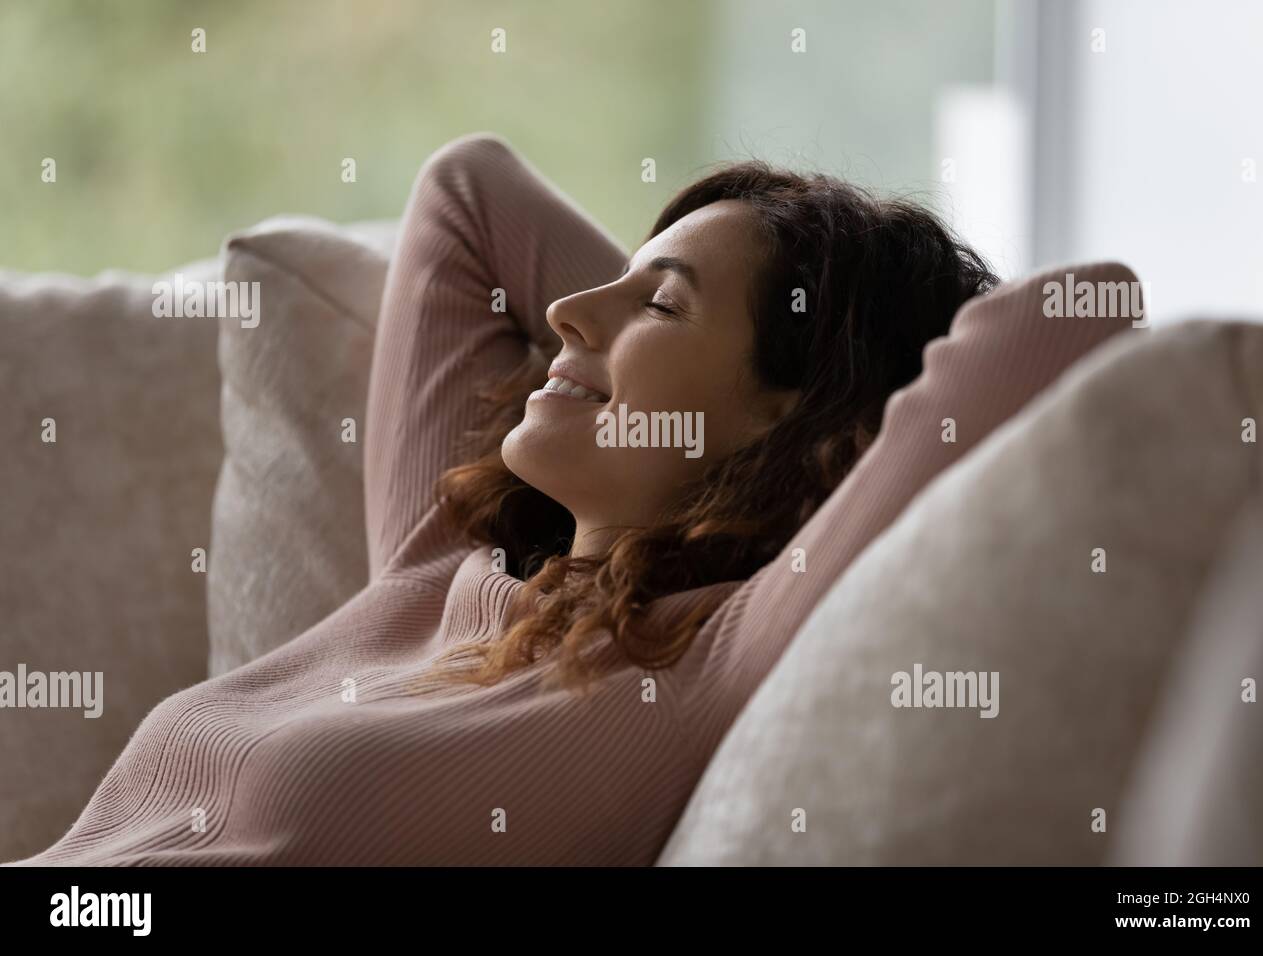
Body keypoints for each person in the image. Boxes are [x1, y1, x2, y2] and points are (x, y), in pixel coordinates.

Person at [10, 133, 996, 866]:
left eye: (657, 302)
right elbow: (469, 189)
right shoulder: (436, 564)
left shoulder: (715, 658)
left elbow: (1056, 325)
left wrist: (797, 402)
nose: (569, 310)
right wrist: (651, 343)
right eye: (605, 284)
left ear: (807, 430)